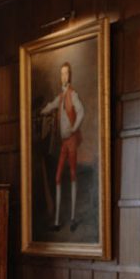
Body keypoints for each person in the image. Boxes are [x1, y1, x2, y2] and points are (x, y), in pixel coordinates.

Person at [40, 61, 84, 231]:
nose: (63, 76)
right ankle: (57, 219)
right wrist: (39, 111)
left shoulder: (73, 95)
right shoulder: (60, 98)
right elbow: (50, 106)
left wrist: (74, 127)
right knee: (58, 177)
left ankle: (72, 218)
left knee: (72, 175)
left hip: (71, 141)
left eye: (66, 73)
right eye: (61, 73)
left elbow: (81, 112)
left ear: (69, 76)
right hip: (64, 143)